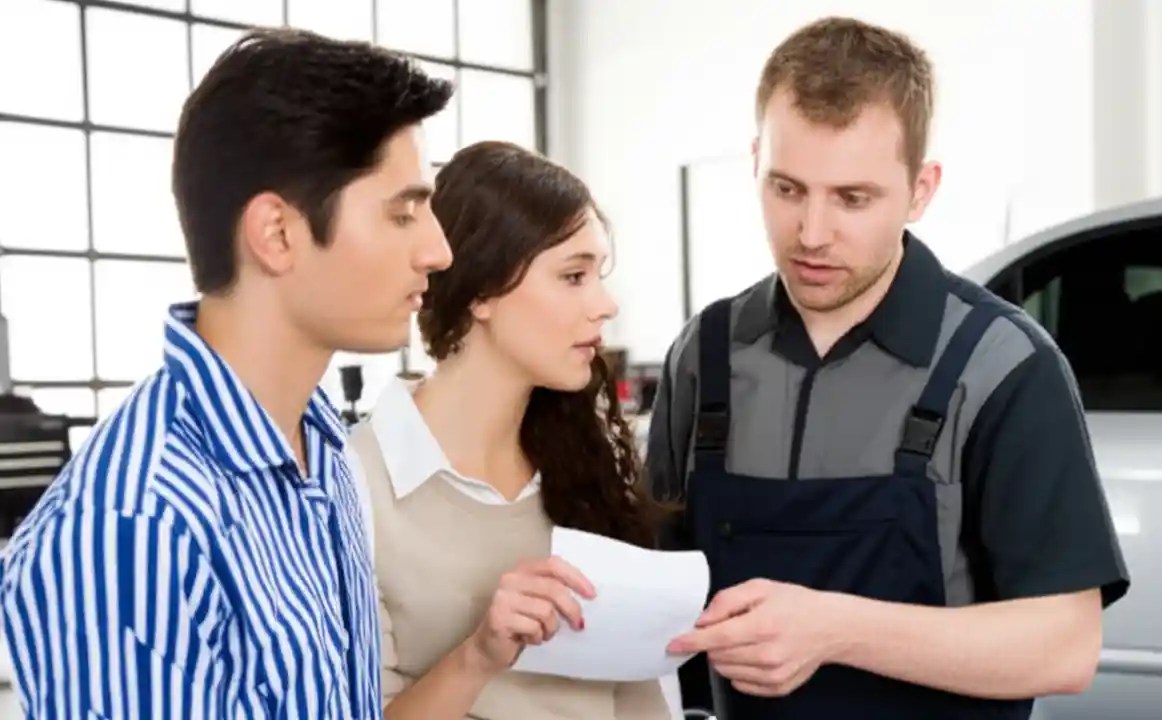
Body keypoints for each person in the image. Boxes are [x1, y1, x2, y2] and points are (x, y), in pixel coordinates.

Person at [648, 16, 1131, 719]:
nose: (811, 233)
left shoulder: (1002, 368)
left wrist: (833, 630)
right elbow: (660, 589)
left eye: (852, 198)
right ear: (755, 160)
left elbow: (1063, 646)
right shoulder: (705, 354)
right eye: (786, 189)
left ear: (921, 189)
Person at [0, 28, 453, 718]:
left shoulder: (319, 446)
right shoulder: (135, 530)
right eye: (403, 213)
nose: (438, 250)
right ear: (276, 234)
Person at [345, 140, 673, 720]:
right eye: (573, 276)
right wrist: (478, 655)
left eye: (599, 274)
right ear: (481, 293)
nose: (606, 304)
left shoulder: (585, 461)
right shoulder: (355, 485)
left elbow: (635, 697)